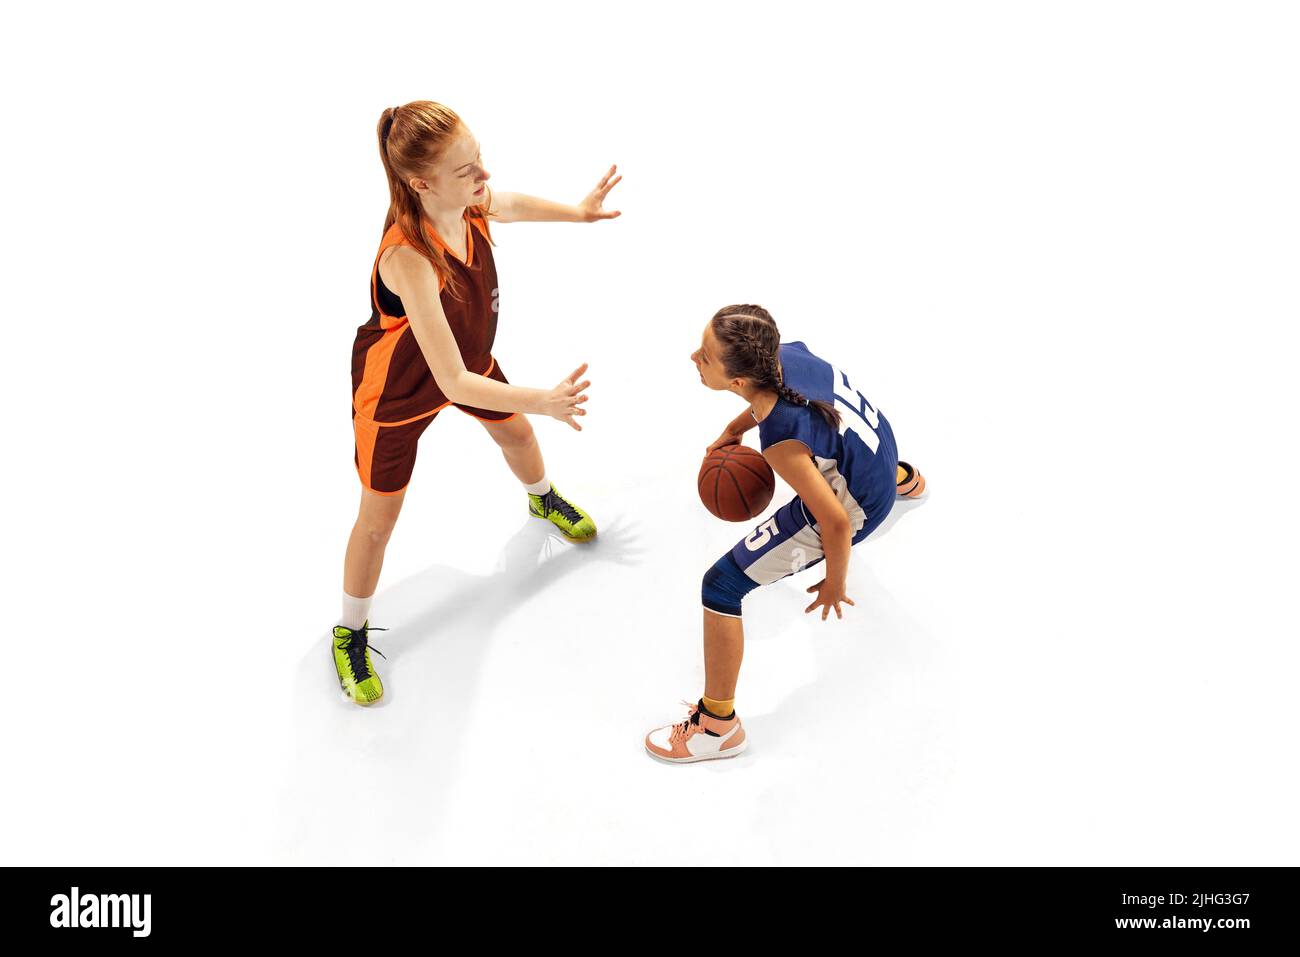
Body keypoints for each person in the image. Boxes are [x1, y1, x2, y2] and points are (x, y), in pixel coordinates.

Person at [334, 101, 622, 705]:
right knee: (377, 524)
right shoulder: (408, 257)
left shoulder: (468, 203)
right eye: (468, 170)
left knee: (516, 436)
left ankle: (543, 503)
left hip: (469, 358)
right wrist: (541, 398)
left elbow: (509, 205)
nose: (484, 178)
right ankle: (350, 632)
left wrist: (579, 214)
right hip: (399, 394)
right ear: (421, 183)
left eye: (480, 161)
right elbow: (453, 384)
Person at [644, 304, 926, 762]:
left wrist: (836, 581)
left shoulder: (782, 445)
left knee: (720, 587)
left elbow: (833, 520)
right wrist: (732, 430)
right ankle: (905, 480)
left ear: (737, 382)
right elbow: (785, 407)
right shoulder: (785, 354)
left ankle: (717, 728)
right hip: (880, 454)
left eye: (705, 357)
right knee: (838, 444)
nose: (693, 357)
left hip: (857, 507)